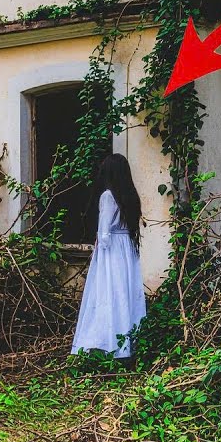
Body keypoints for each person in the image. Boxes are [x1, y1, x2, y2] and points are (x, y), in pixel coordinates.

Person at [71, 153, 147, 360]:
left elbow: (104, 233)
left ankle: (106, 343)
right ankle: (128, 342)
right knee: (125, 293)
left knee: (107, 293)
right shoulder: (130, 196)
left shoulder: (108, 196)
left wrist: (99, 245)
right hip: (126, 249)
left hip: (111, 249)